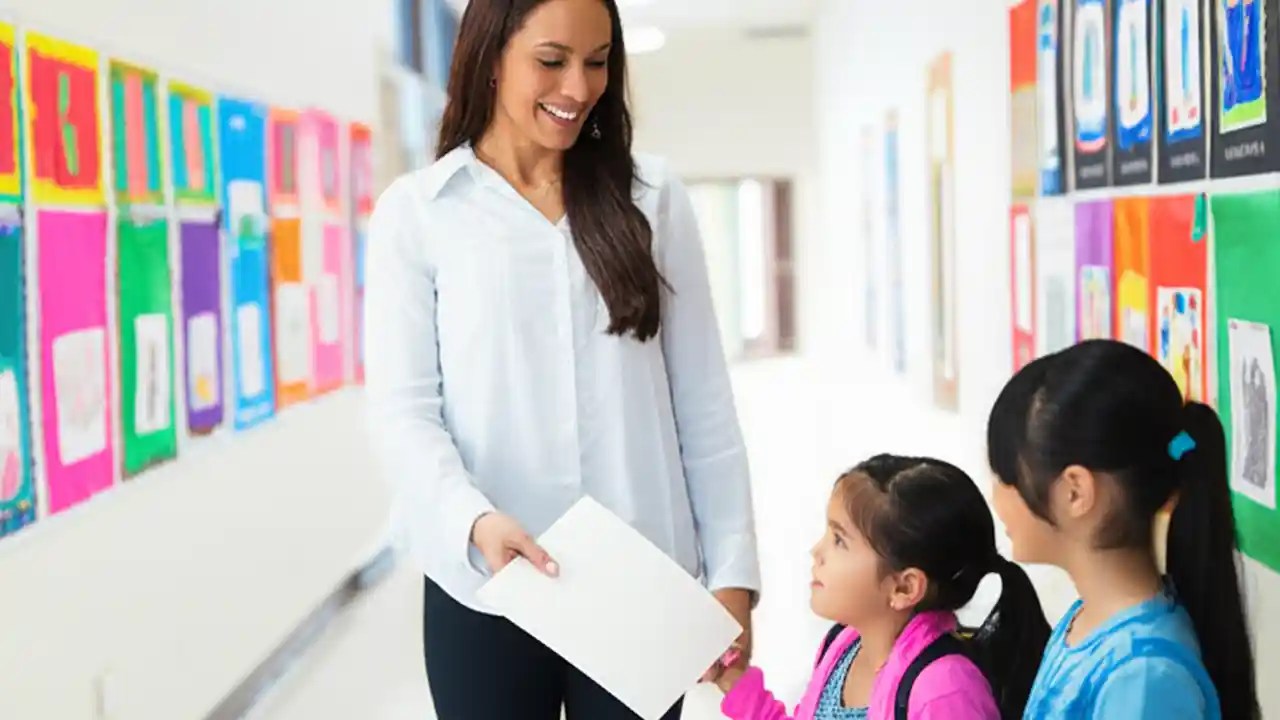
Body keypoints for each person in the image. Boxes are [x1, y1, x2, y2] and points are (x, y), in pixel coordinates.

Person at [361, 0, 760, 717]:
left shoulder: (652, 199)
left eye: (598, 61)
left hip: (640, 582)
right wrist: (473, 521)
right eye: (551, 61)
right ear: (489, 58)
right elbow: (403, 413)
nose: (578, 88)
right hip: (483, 584)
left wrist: (733, 570)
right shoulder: (419, 213)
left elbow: (702, 400)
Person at [986, 339, 1260, 718]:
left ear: (1074, 492)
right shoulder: (1087, 621)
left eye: (1006, 477)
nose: (995, 495)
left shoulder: (1144, 678)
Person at [716, 455, 1050, 719]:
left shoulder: (944, 689)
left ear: (904, 588)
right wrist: (735, 682)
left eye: (839, 540)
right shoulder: (842, 645)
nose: (817, 551)